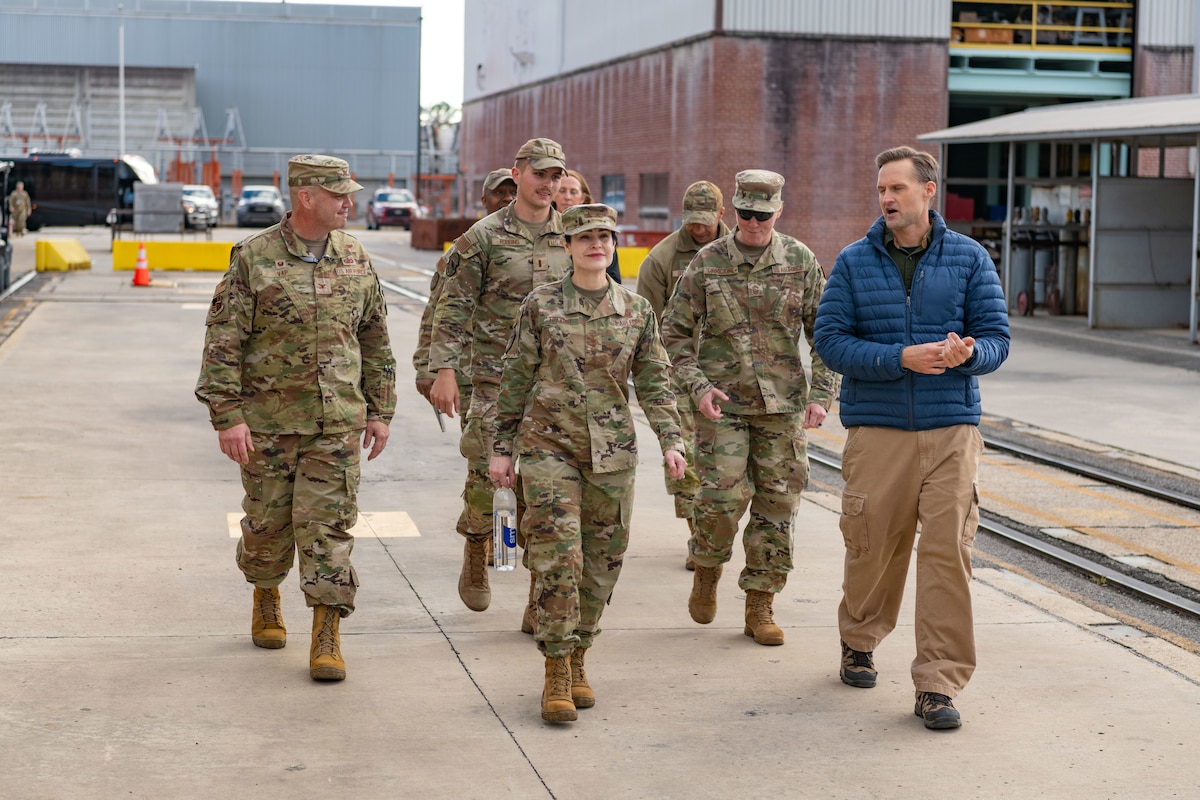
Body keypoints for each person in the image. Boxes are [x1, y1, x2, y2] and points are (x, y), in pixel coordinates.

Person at [813, 145, 1010, 730]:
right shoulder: (853, 262)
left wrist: (967, 355)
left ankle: (938, 684)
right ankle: (860, 637)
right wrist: (900, 357)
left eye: (897, 188)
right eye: (880, 190)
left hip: (952, 430)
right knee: (874, 546)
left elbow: (997, 339)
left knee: (949, 554)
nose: (887, 199)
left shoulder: (970, 258)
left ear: (929, 191)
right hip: (879, 431)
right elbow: (830, 342)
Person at [195, 154, 396, 682]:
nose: (350, 203)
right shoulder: (253, 258)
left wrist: (381, 410)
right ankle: (265, 592)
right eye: (339, 195)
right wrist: (227, 415)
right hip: (268, 424)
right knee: (268, 526)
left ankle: (327, 630)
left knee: (329, 527)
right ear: (307, 197)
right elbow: (223, 342)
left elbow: (375, 338)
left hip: (337, 425)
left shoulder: (355, 257)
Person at [488, 203, 686, 723]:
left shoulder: (636, 311)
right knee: (558, 557)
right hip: (548, 446)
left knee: (603, 562)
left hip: (613, 453)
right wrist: (501, 448)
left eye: (604, 236)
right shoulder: (541, 305)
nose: (596, 244)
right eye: (585, 237)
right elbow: (514, 379)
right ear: (568, 247)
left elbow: (655, 382)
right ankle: (555, 668)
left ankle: (579, 654)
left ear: (613, 244)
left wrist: (672, 440)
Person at [661, 169, 837, 647]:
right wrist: (696, 386)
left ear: (779, 212)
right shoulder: (707, 261)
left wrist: (822, 394)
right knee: (720, 503)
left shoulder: (799, 260)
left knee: (778, 507)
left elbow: (826, 334)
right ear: (734, 210)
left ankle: (760, 602)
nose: (754, 223)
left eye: (763, 215)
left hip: (782, 408)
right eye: (745, 214)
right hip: (724, 406)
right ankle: (708, 566)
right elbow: (672, 331)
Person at [428, 138, 572, 621]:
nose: (548, 185)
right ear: (518, 174)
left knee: (546, 494)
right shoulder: (483, 238)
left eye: (556, 177)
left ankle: (538, 599)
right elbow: (453, 309)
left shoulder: (572, 236)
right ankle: (476, 549)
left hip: (552, 389)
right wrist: (443, 371)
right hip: (492, 383)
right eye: (539, 175)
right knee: (487, 481)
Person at [636, 180, 729, 570]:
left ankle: (715, 525)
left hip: (727, 370)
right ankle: (698, 532)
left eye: (706, 222)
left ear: (722, 216)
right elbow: (647, 322)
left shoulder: (737, 250)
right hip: (678, 368)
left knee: (725, 459)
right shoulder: (662, 259)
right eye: (692, 222)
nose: (698, 229)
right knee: (685, 455)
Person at [413, 168, 517, 406]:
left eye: (514, 191)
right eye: (499, 192)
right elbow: (439, 308)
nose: (507, 198)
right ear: (484, 200)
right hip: (476, 370)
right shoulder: (468, 247)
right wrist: (427, 367)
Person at [557, 169, 622, 285]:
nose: (567, 197)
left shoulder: (603, 228)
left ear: (582, 198)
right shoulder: (544, 231)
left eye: (573, 192)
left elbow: (614, 278)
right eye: (562, 191)